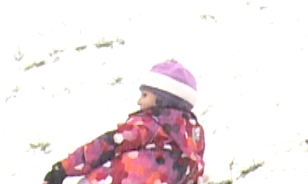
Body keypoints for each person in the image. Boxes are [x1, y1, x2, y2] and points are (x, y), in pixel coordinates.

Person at [43, 60, 205, 184]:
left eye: (145, 95)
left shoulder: (149, 124)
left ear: (162, 100)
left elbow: (106, 145)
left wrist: (63, 168)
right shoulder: (193, 136)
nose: (139, 101)